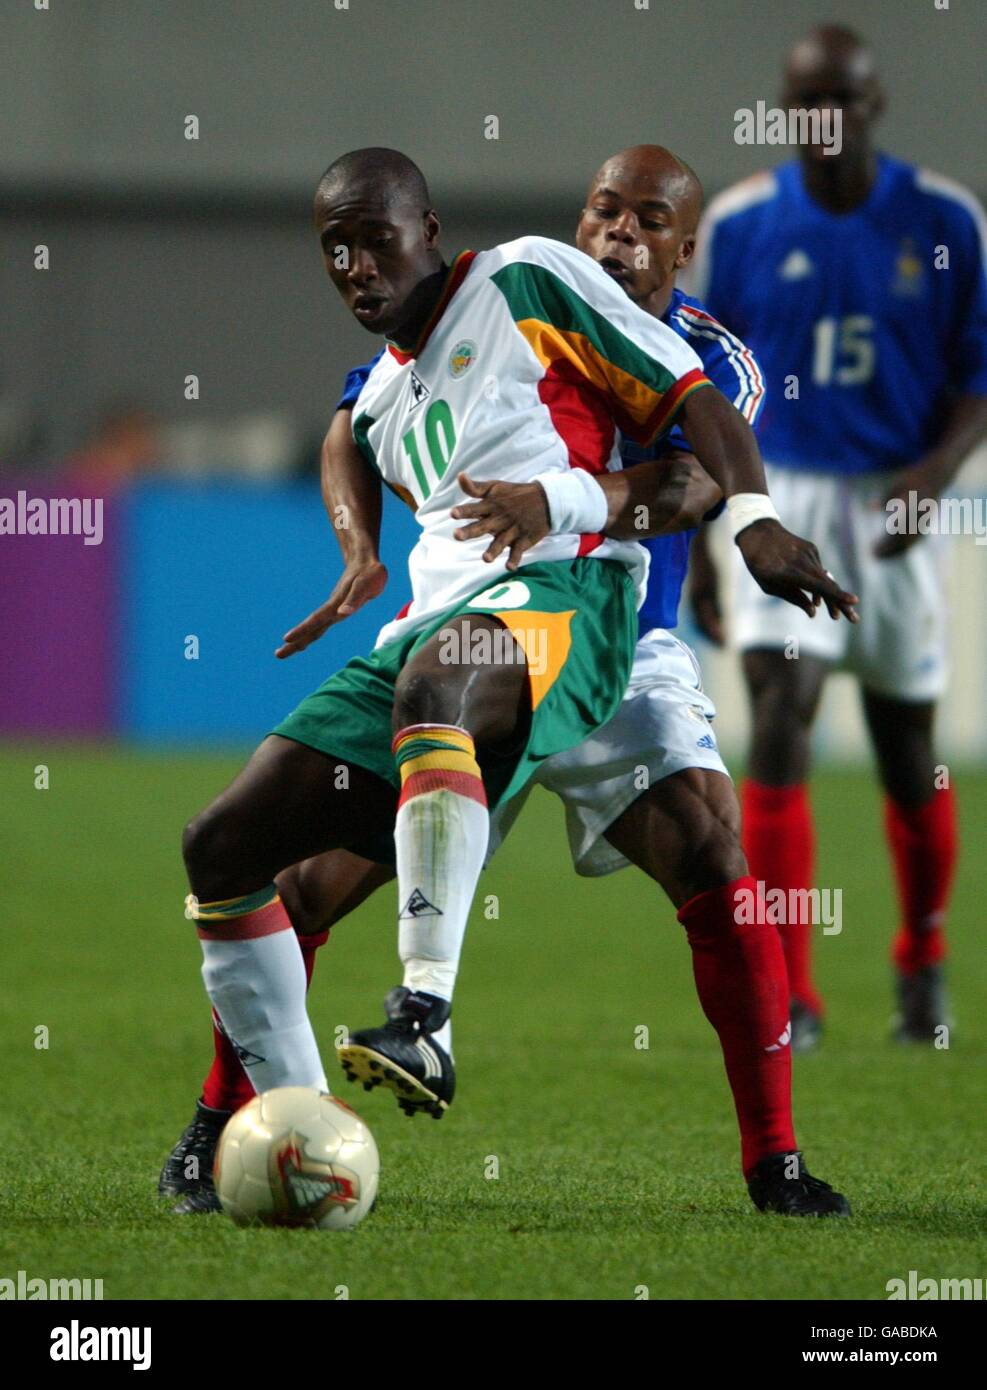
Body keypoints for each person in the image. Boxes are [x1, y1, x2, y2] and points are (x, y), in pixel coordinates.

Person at [163, 145, 855, 1218]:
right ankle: (243, 1121)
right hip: (462, 630)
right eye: (602, 210)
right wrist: (359, 544)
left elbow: (695, 479)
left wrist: (583, 503)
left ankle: (777, 1161)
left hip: (616, 633)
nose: (619, 235)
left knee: (714, 850)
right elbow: (357, 419)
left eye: (647, 220)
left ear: (684, 246)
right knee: (292, 873)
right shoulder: (472, 327)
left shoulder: (703, 352)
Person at [687, 25, 987, 1050]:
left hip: (896, 493)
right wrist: (702, 544)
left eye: (841, 100)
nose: (822, 119)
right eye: (804, 99)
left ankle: (921, 957)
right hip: (778, 493)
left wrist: (937, 475)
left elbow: (980, 379)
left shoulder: (945, 218)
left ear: (875, 105)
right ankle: (791, 986)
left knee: (909, 751)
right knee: (780, 713)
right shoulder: (739, 223)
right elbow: (693, 390)